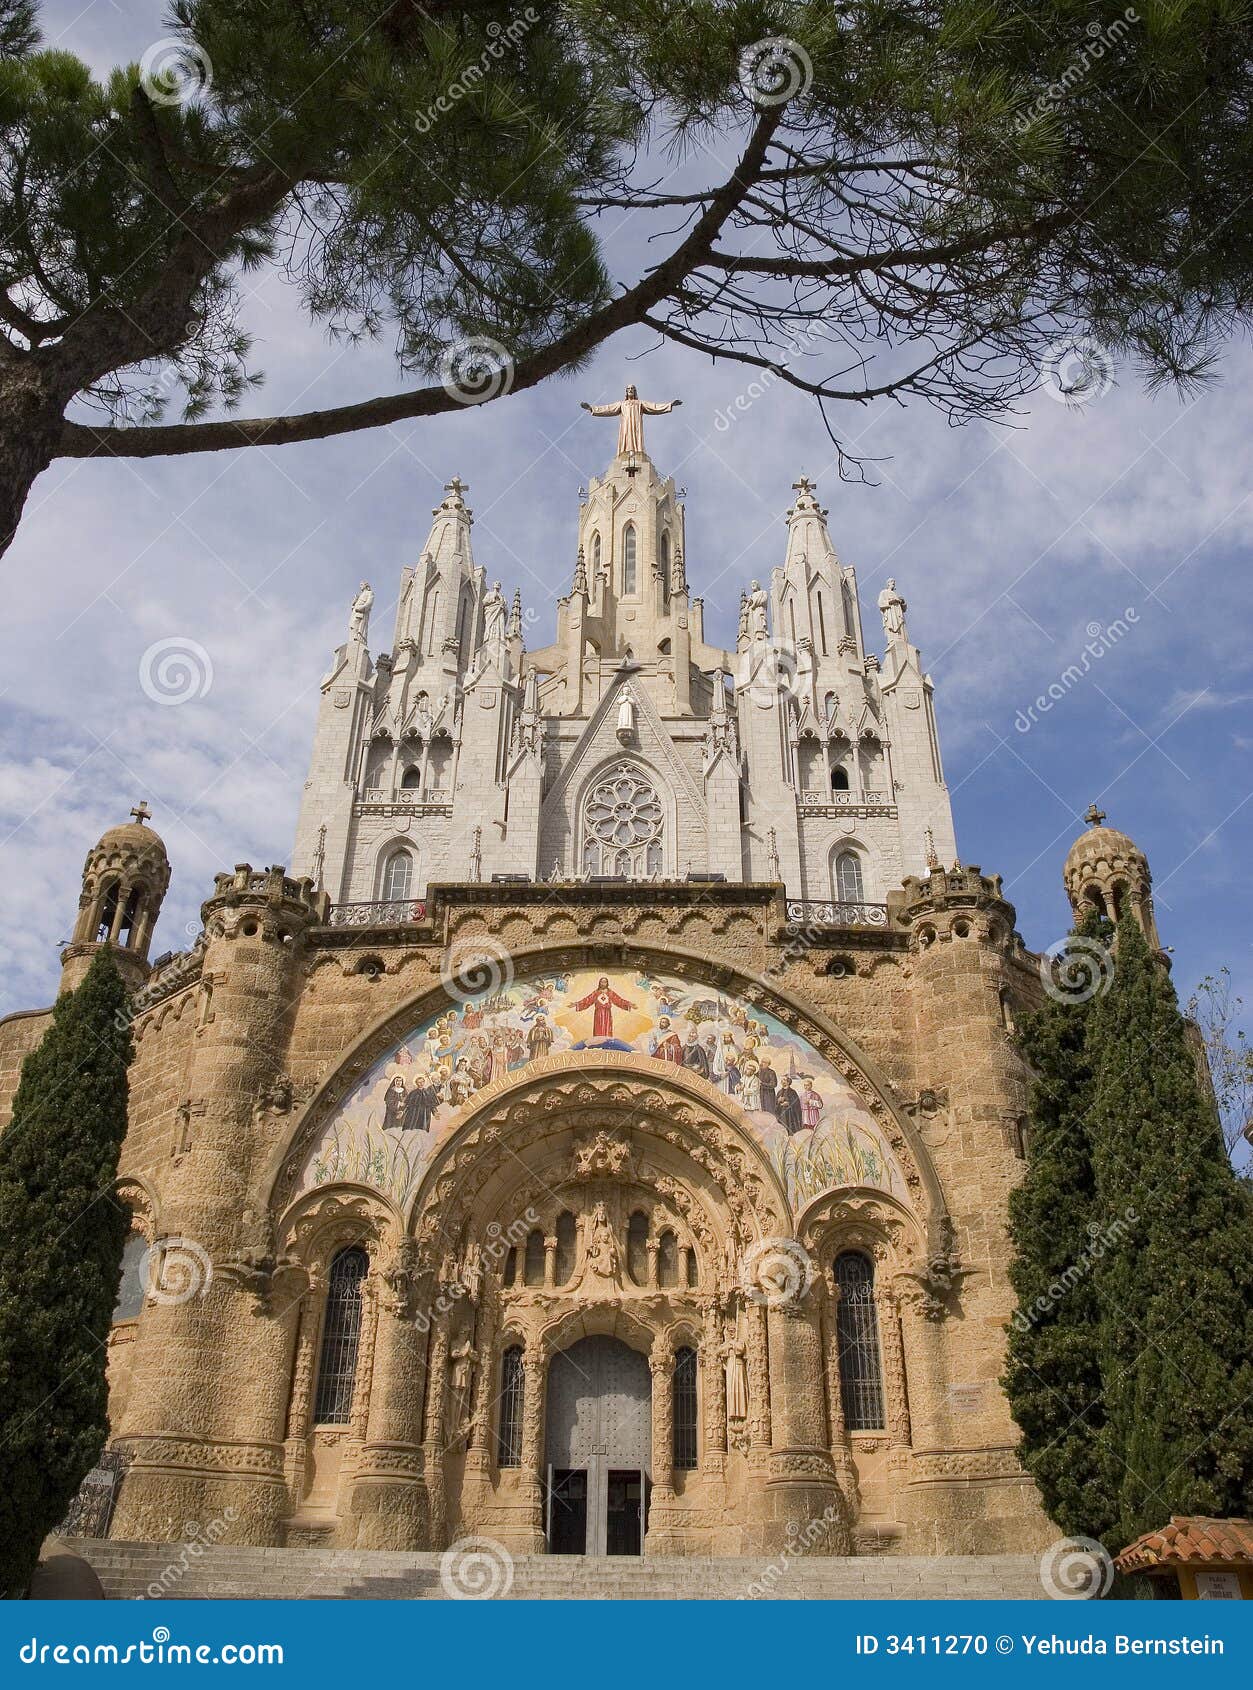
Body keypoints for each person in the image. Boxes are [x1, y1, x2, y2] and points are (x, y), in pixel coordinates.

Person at [573, 975, 634, 1039]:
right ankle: (598, 1044)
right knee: (598, 1029)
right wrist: (577, 1004)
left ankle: (607, 1043)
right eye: (602, 982)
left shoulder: (610, 993)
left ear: (607, 983)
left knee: (607, 1029)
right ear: (599, 983)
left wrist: (629, 1004)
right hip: (598, 1014)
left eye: (605, 982)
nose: (603, 983)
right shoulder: (596, 993)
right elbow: (587, 1000)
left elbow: (619, 1000)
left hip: (607, 1014)